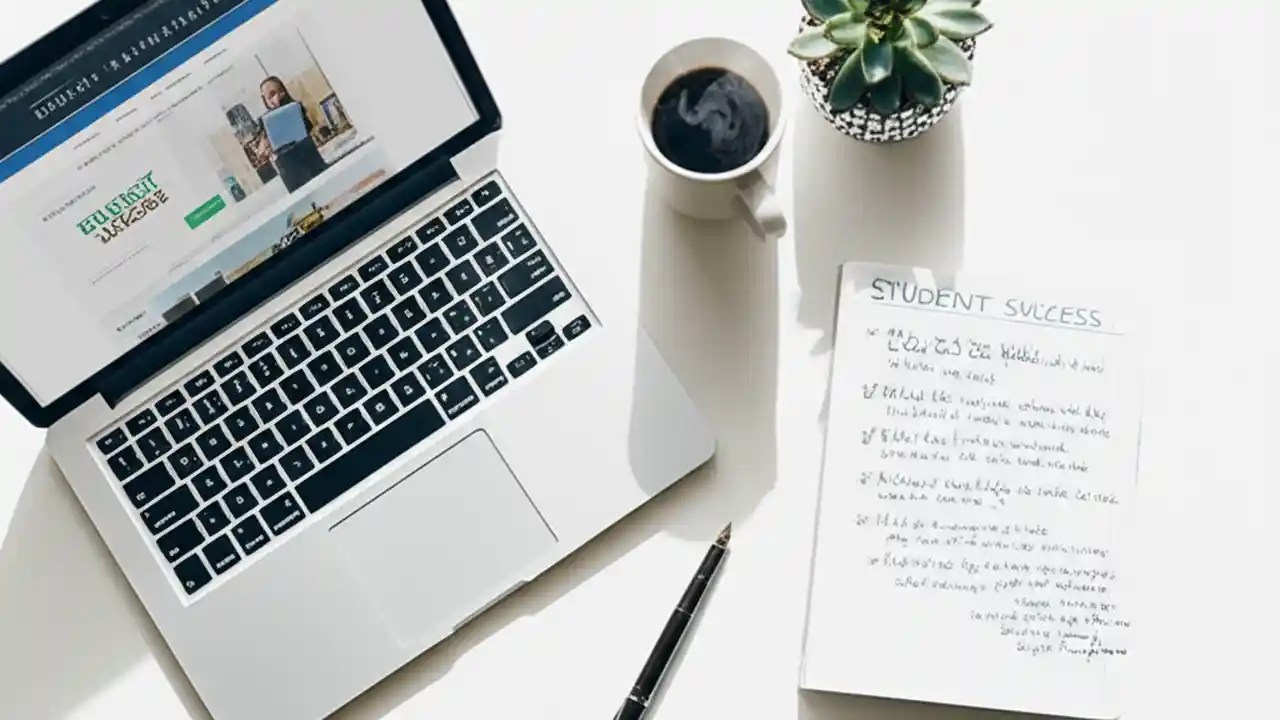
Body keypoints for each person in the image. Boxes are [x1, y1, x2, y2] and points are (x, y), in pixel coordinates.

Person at [257, 76, 328, 192]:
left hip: (309, 159)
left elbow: (309, 128)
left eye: (273, 94)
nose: (270, 100)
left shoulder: (297, 108)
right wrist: (265, 147)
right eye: (266, 98)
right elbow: (261, 151)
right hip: (289, 170)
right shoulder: (265, 122)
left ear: (282, 92)